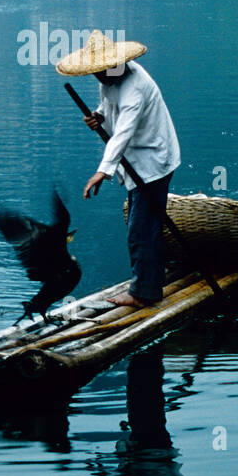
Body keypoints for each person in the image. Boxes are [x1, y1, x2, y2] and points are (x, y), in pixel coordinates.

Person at [56, 30, 180, 308]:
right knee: (145, 225)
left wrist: (103, 171)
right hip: (136, 160)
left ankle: (144, 293)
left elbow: (123, 132)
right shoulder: (110, 76)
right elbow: (109, 104)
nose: (98, 77)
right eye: (95, 72)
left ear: (116, 63)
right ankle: (150, 280)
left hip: (153, 161)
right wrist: (99, 115)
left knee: (141, 229)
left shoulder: (135, 86)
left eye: (101, 71)